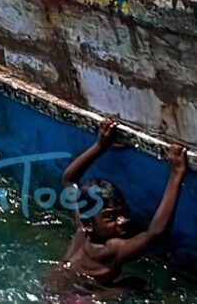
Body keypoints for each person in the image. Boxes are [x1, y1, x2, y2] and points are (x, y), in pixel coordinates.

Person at [45, 118, 189, 298]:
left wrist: (100, 146)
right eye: (110, 217)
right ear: (91, 223)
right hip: (79, 299)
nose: (123, 220)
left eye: (123, 212)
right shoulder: (111, 249)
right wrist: (176, 175)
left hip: (52, 288)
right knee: (135, 286)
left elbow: (69, 179)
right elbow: (155, 234)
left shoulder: (83, 227)